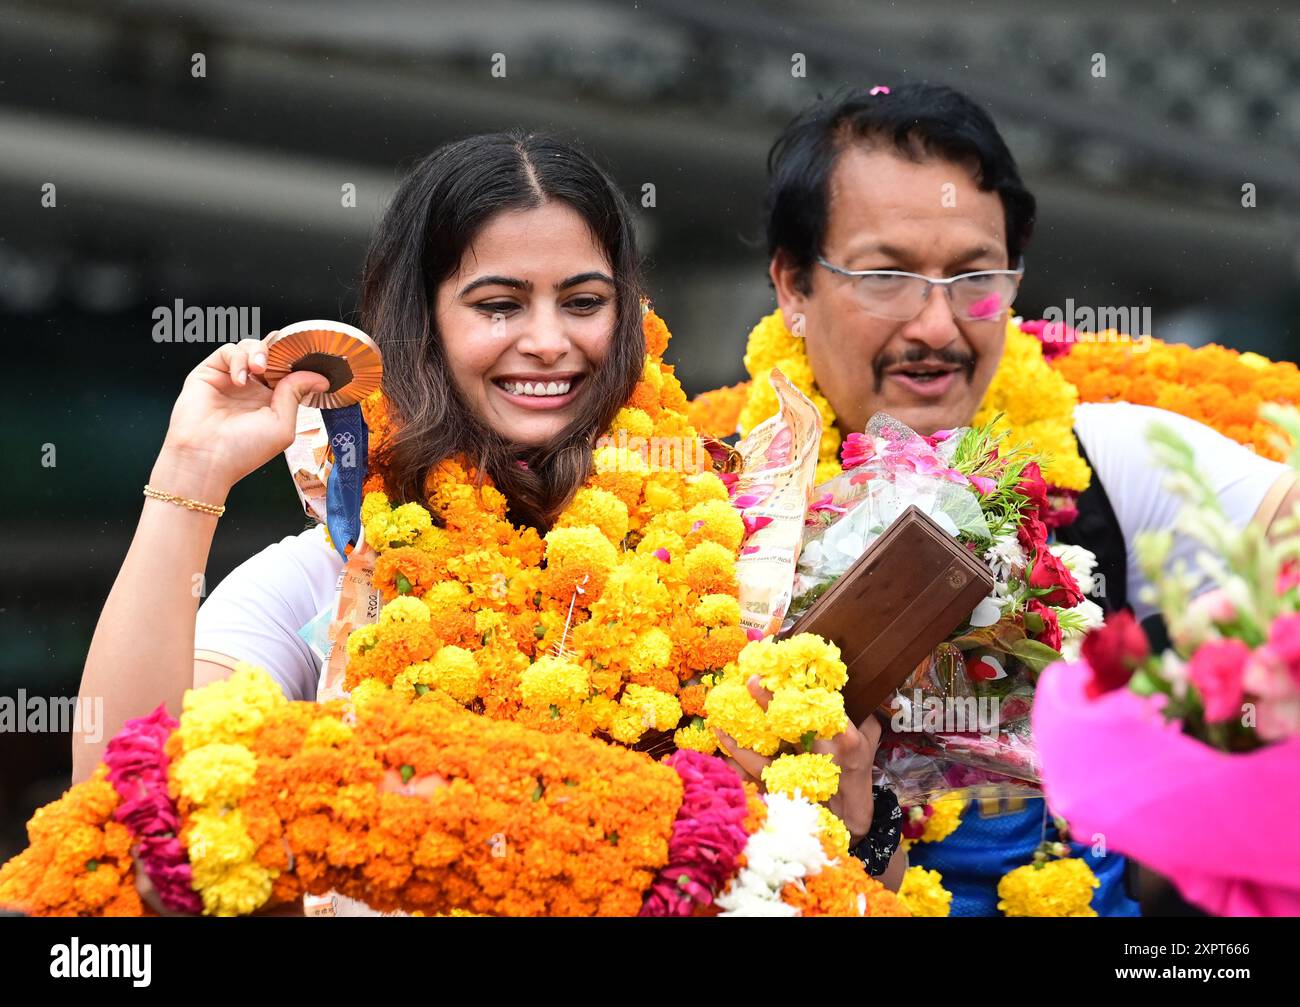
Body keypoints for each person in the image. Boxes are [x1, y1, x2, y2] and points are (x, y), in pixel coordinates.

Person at [70, 129, 906, 916]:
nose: (547, 341)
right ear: (421, 323)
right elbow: (117, 795)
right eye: (499, 304)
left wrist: (865, 826)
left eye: (582, 301)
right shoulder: (337, 574)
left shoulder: (735, 559)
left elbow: (861, 880)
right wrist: (190, 470)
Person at [721, 82, 1300, 916]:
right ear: (792, 286)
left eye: (974, 276)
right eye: (886, 275)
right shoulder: (712, 511)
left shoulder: (1106, 457)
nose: (937, 325)